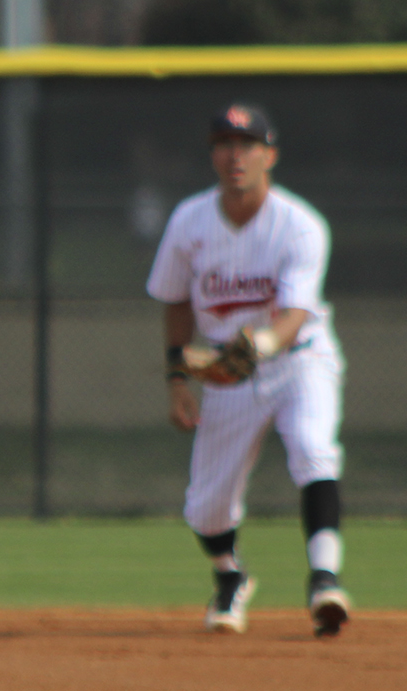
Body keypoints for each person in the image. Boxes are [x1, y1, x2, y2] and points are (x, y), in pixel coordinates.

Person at [146, 103, 351, 638]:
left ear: (270, 155)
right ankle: (230, 578)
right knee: (207, 508)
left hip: (299, 358)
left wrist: (255, 345)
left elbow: (294, 317)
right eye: (223, 143)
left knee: (312, 448)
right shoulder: (189, 222)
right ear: (213, 155)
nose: (235, 154)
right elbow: (173, 302)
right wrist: (177, 380)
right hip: (227, 375)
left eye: (247, 144)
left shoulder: (300, 225)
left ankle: (325, 580)